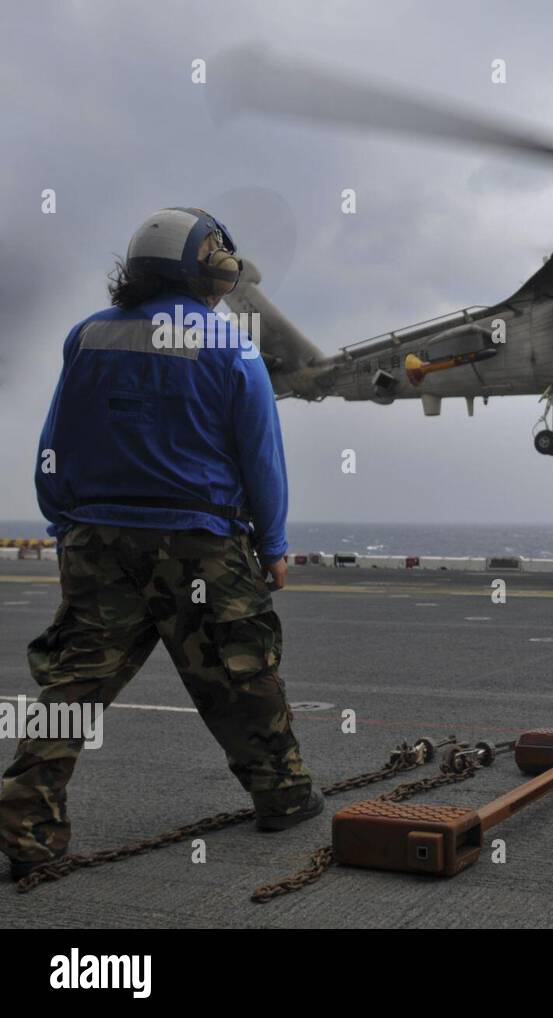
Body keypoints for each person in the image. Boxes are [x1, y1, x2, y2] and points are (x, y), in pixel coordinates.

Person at [0, 208, 320, 882]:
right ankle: (282, 795)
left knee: (74, 683)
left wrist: (65, 524)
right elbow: (261, 461)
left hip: (96, 539)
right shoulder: (230, 346)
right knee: (241, 674)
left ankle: (27, 825)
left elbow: (56, 443)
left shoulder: (87, 337)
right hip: (199, 544)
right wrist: (274, 545)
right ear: (214, 267)